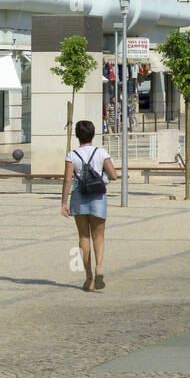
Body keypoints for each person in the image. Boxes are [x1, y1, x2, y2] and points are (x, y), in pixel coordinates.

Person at [61, 120, 119, 291]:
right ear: (93, 134)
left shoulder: (72, 155)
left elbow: (67, 179)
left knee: (83, 237)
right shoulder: (101, 153)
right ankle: (99, 267)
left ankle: (89, 278)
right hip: (98, 197)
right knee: (98, 236)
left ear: (77, 136)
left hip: (79, 195)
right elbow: (114, 175)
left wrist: (64, 202)